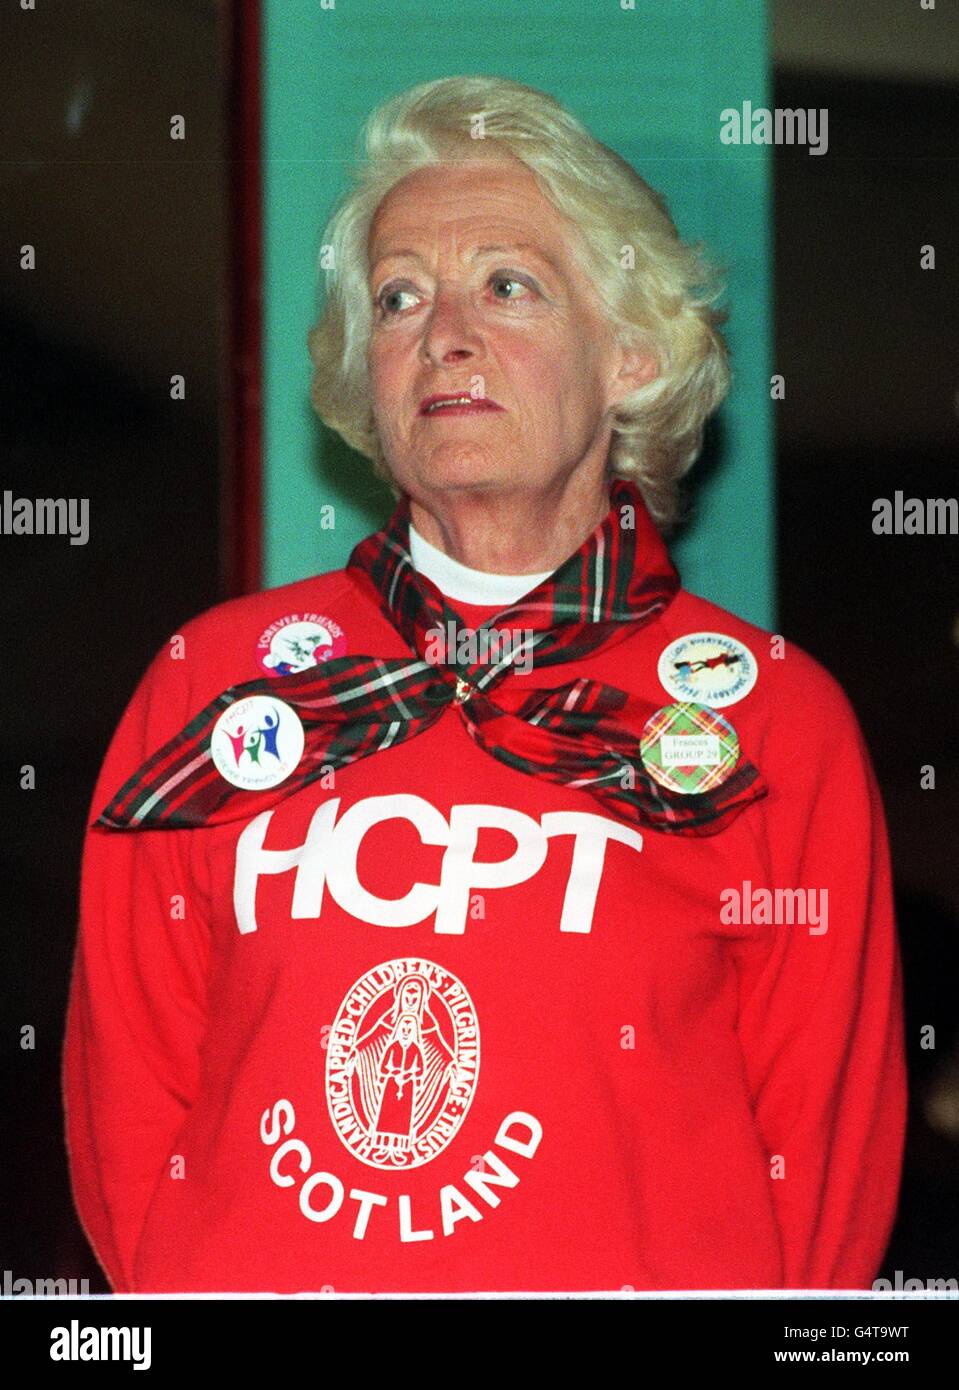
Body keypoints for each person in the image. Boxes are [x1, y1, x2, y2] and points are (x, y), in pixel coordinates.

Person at [62, 75, 907, 1294]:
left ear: (629, 354)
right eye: (400, 296)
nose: (440, 332)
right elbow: (129, 1109)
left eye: (505, 285)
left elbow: (820, 1187)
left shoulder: (770, 717)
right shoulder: (213, 683)